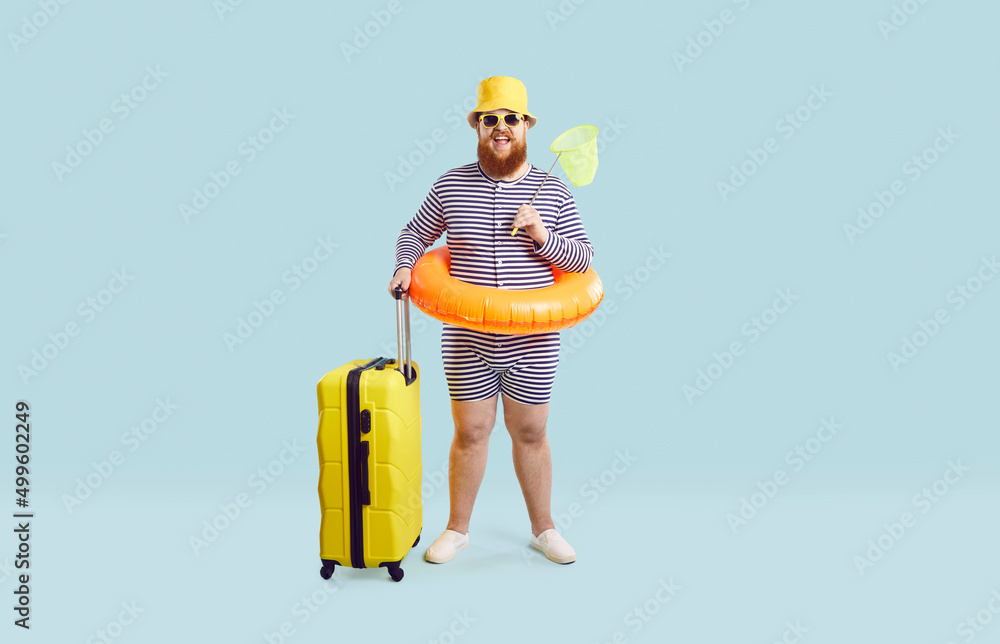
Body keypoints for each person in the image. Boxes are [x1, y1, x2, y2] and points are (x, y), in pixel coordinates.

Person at [387, 76, 594, 565]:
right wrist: (402, 265)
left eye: (511, 118)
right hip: (467, 338)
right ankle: (457, 530)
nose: (501, 128)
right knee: (471, 433)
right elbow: (415, 234)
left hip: (533, 340)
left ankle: (544, 530)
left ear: (527, 126)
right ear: (478, 126)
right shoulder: (451, 184)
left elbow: (582, 260)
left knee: (531, 434)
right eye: (490, 118)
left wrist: (542, 234)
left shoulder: (553, 190)